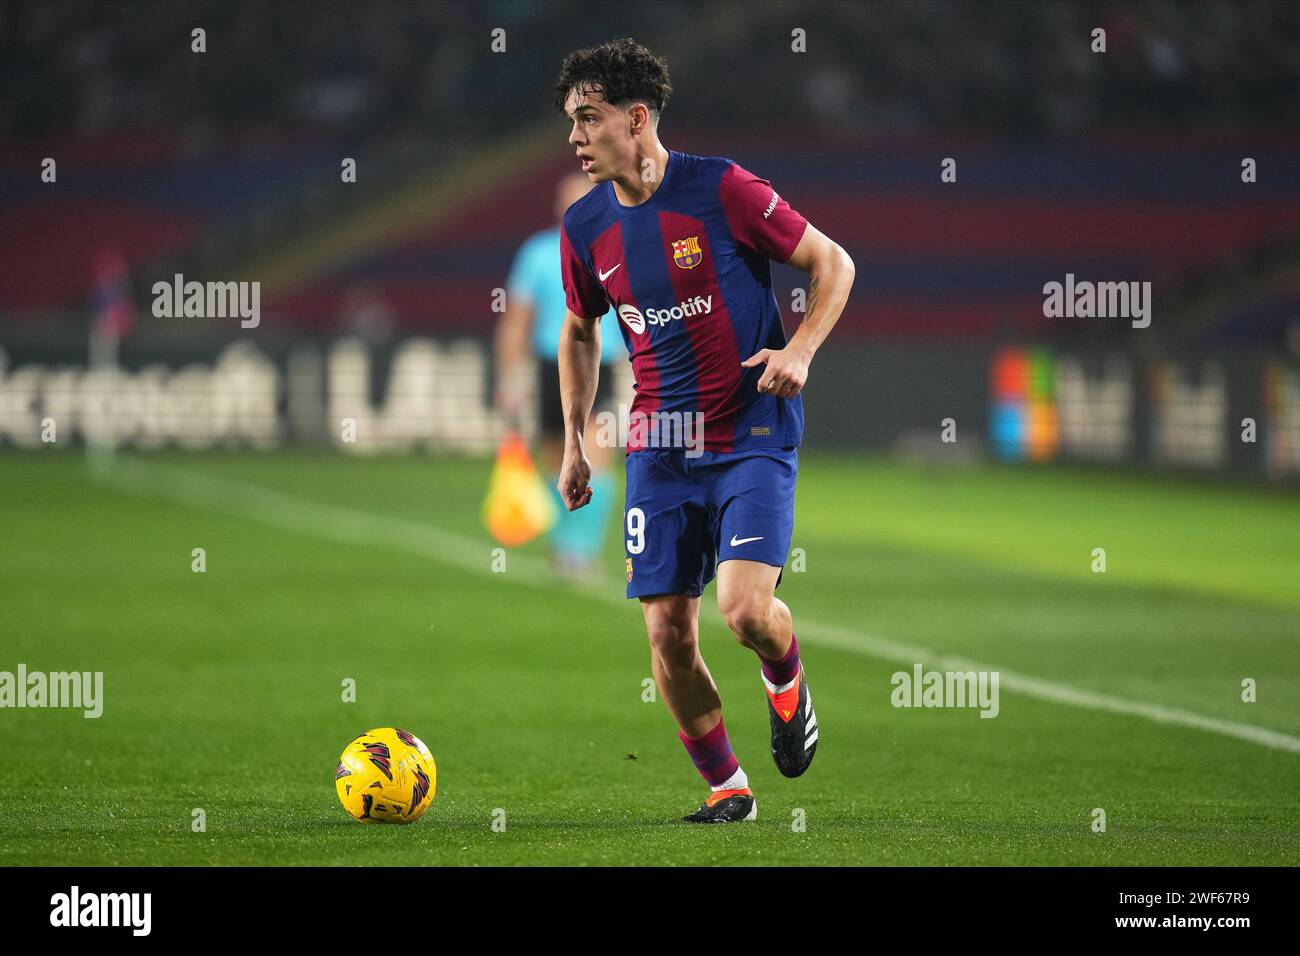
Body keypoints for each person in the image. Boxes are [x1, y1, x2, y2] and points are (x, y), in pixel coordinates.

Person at [552, 38, 855, 822]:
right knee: (668, 636)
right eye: (571, 122)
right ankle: (730, 789)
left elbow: (833, 263)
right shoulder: (585, 227)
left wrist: (800, 351)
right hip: (659, 443)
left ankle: (785, 687)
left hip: (750, 425)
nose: (576, 137)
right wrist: (574, 439)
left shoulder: (720, 189)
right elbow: (580, 330)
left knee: (747, 612)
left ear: (637, 117)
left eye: (589, 119)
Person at [496, 174, 625, 579]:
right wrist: (510, 376)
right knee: (558, 455)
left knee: (598, 454)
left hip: (602, 361)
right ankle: (565, 545)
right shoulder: (537, 253)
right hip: (551, 364)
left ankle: (581, 550)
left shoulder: (619, 245)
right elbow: (517, 320)